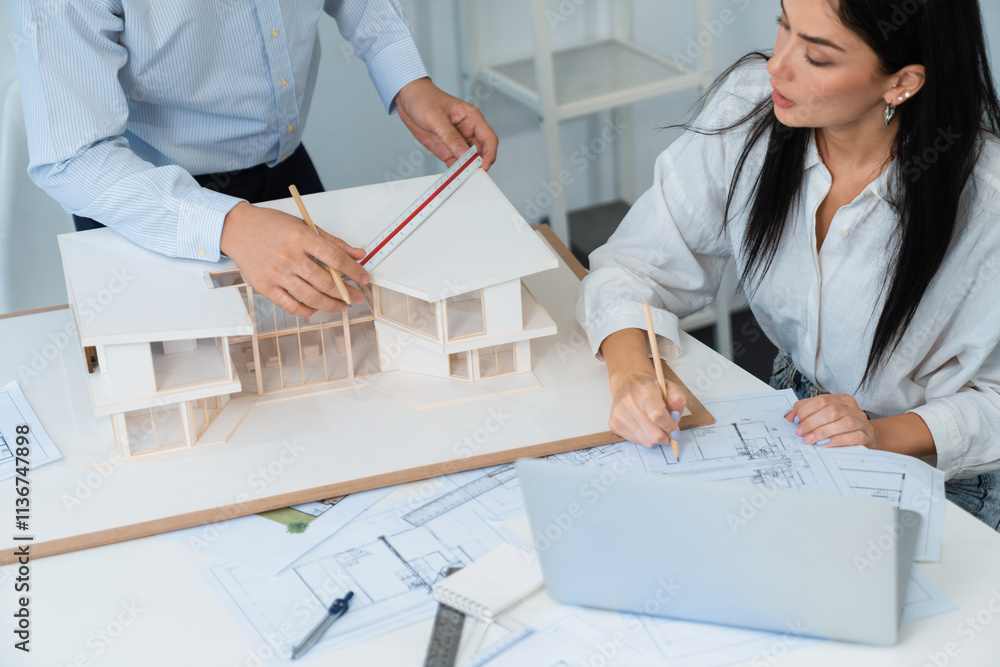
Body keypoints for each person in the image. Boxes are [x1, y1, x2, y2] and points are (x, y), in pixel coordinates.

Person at [577, 0, 1000, 529]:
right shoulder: (753, 103)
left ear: (902, 82)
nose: (777, 65)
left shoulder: (986, 203)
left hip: (944, 470)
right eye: (784, 26)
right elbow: (638, 263)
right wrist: (632, 376)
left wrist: (879, 435)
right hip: (796, 417)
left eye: (817, 57)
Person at [11, 0, 498, 319]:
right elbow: (72, 159)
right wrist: (230, 226)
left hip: (283, 174)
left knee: (346, 363)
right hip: (149, 207)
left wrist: (407, 77)